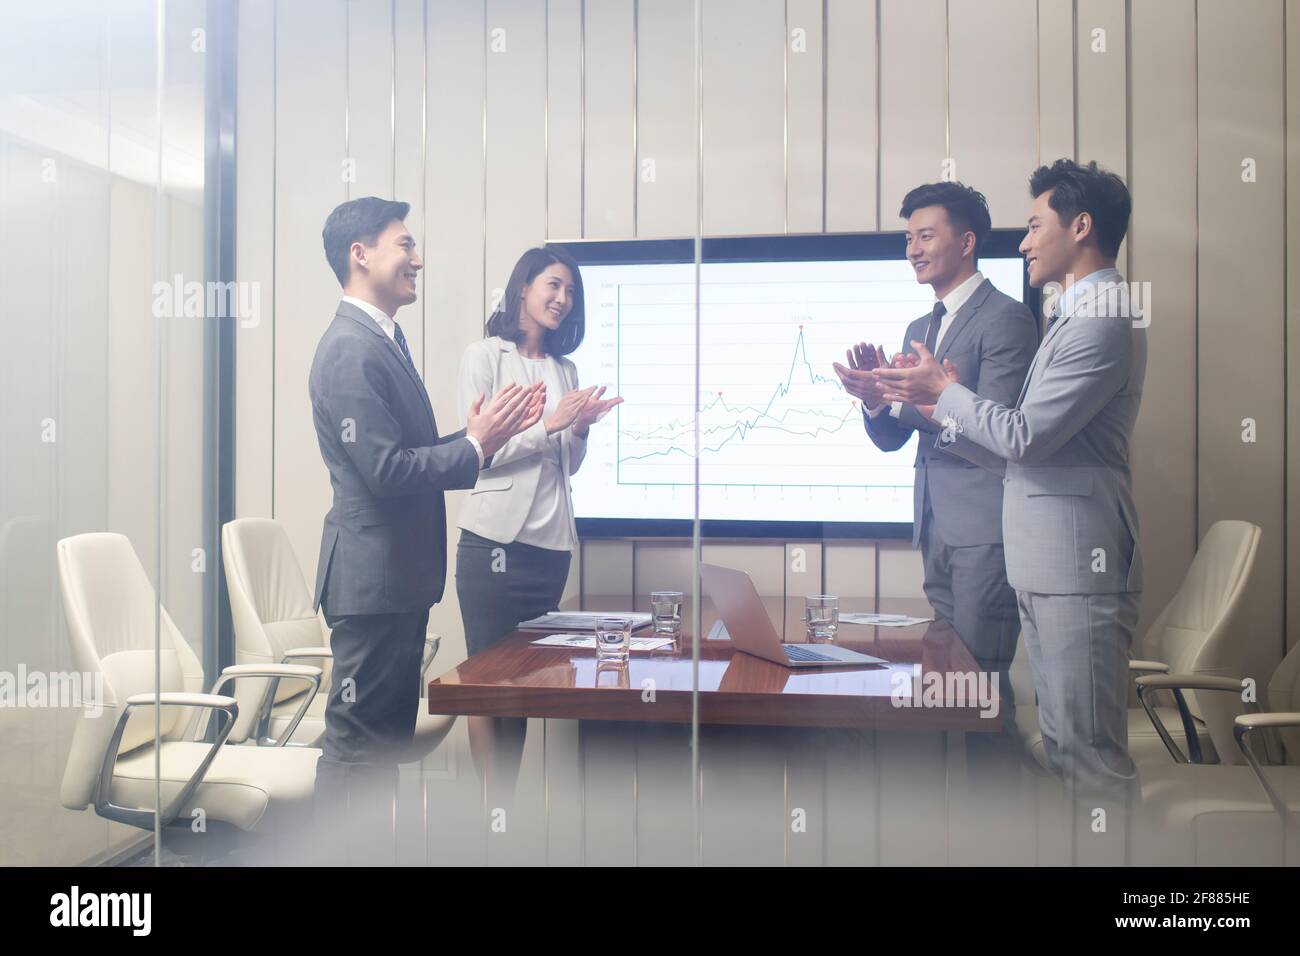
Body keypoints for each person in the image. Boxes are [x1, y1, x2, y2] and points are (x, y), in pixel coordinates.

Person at [873, 160, 1145, 803]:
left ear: (1081, 227)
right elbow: (1017, 451)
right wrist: (898, 401)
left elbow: (1023, 435)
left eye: (1033, 225)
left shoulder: (1101, 315)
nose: (1022, 242)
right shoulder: (1073, 314)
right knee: (1063, 748)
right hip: (1047, 559)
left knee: (1087, 762)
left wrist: (942, 391)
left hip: (1076, 559)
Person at [309, 196, 543, 863]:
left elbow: (404, 456)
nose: (418, 259)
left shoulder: (380, 340)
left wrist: (481, 438)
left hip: (395, 585)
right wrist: (472, 442)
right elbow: (385, 471)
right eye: (403, 246)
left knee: (377, 751)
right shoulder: (350, 350)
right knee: (359, 752)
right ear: (361, 255)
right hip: (374, 584)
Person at [833, 182, 1038, 726]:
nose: (913, 250)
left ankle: (1005, 804)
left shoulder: (1007, 319)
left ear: (967, 241)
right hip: (936, 526)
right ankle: (961, 809)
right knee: (948, 689)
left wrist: (927, 397)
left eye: (926, 235)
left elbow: (998, 432)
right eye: (908, 238)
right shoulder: (920, 327)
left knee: (980, 692)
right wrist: (878, 402)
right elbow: (894, 438)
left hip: (985, 532)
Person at [455, 246, 621, 800]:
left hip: (550, 548)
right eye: (553, 285)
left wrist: (582, 430)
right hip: (493, 544)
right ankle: (489, 810)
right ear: (522, 286)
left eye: (570, 292)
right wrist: (553, 422)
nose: (562, 299)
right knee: (485, 677)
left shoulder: (565, 367)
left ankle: (508, 808)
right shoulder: (485, 356)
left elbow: (566, 464)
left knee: (520, 681)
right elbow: (479, 452)